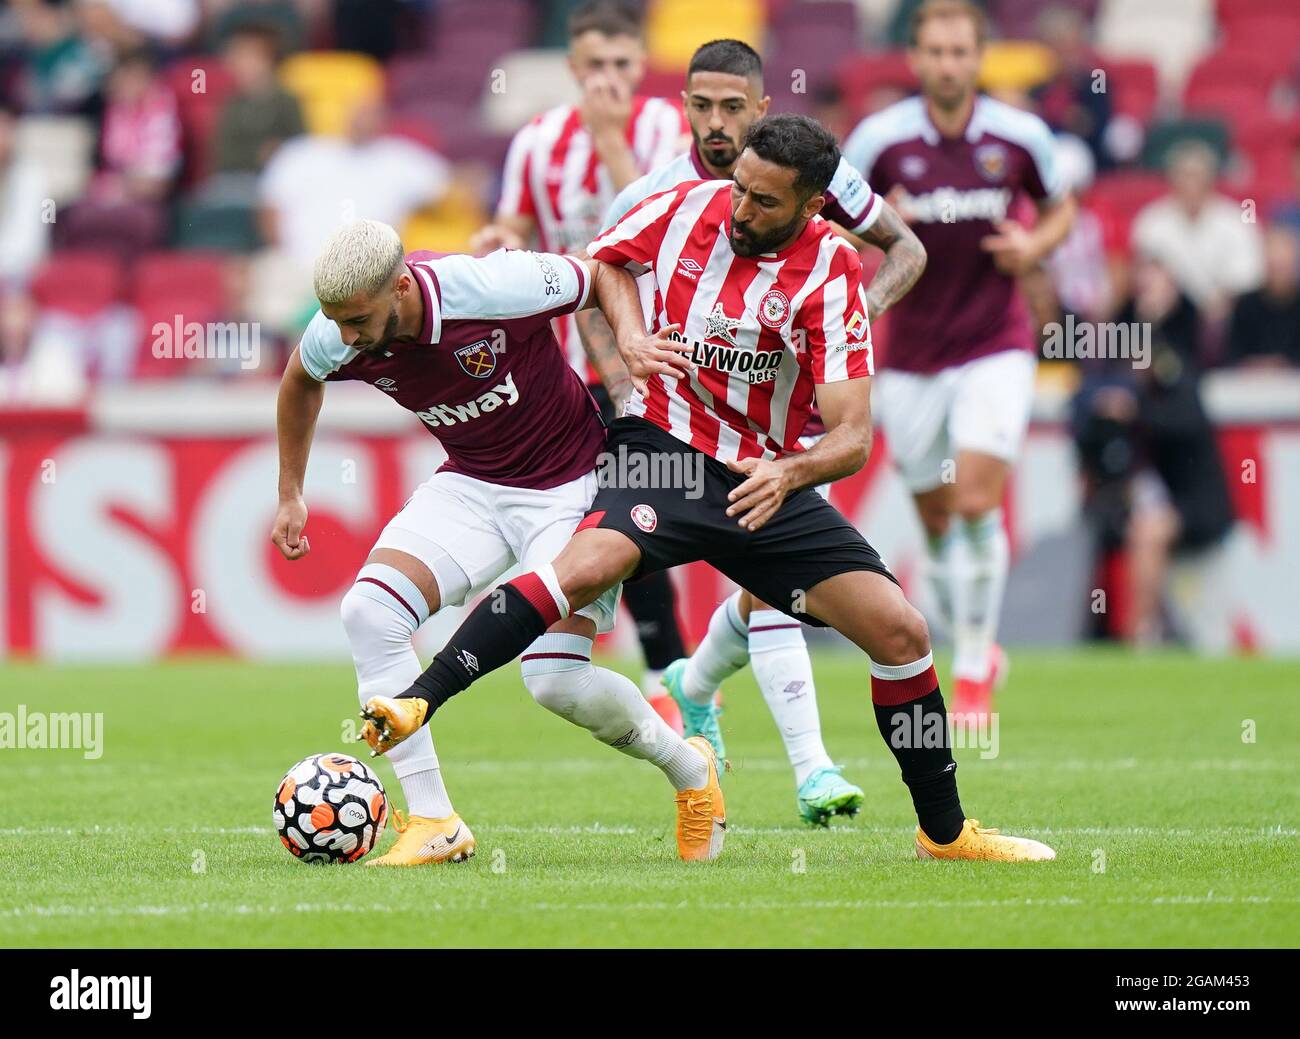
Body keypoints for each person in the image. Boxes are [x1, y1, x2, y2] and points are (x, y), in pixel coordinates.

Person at [359, 116, 1056, 864]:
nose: (740, 210)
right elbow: (604, 267)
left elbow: (852, 436)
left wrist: (790, 471)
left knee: (902, 633)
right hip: (661, 447)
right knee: (587, 565)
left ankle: (945, 835)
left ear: (813, 206)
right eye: (739, 188)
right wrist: (629, 343)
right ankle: (421, 696)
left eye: (763, 202)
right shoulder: (688, 206)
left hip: (764, 475)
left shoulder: (832, 273)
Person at [272, 220, 722, 866]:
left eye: (358, 320)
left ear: (400, 287)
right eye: (336, 322)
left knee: (554, 682)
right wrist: (291, 490)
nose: (345, 337)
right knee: (368, 613)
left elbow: (597, 272)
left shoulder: (487, 286)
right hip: (475, 485)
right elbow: (299, 381)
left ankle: (689, 768)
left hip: (570, 486)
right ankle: (434, 819)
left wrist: (628, 344)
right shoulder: (337, 333)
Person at [582, 38, 926, 826]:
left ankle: (696, 689)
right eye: (700, 105)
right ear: (684, 108)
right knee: (769, 582)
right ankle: (811, 766)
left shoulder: (818, 175)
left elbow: (906, 249)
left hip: (797, 421)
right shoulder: (659, 192)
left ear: (762, 108)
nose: (715, 121)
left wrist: (846, 326)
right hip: (678, 420)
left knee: (772, 584)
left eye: (732, 106)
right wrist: (624, 388)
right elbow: (596, 280)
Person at [843, 0, 1077, 719]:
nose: (949, 64)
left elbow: (1062, 206)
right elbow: (833, 226)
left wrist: (1034, 248)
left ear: (980, 57)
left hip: (994, 345)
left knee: (976, 500)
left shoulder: (1020, 136)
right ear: (916, 59)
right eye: (936, 52)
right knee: (938, 523)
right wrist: (883, 233)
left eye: (960, 52)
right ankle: (972, 639)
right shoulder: (881, 140)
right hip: (911, 356)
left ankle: (973, 662)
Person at [471, 0, 691, 719]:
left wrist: (610, 143)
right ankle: (668, 682)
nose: (608, 80)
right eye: (594, 65)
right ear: (572, 66)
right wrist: (495, 237)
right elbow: (518, 223)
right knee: (614, 524)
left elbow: (667, 225)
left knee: (660, 522)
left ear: (642, 64)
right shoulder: (535, 141)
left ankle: (680, 676)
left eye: (622, 65)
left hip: (657, 359)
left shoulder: (666, 130)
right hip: (570, 372)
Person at [1131, 139, 1264, 325]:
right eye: (1184, 176)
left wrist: (1222, 300)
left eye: (1197, 176)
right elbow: (1145, 275)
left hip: (1228, 317)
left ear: (1211, 179)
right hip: (1172, 316)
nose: (1191, 184)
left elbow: (1249, 276)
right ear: (1172, 180)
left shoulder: (1237, 219)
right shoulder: (1152, 221)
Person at [1224, 225, 1300, 369]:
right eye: (1274, 266)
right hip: (1250, 385)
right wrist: (1255, 365)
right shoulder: (1246, 304)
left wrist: (1282, 365)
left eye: (1283, 266)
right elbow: (1232, 353)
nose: (1279, 274)